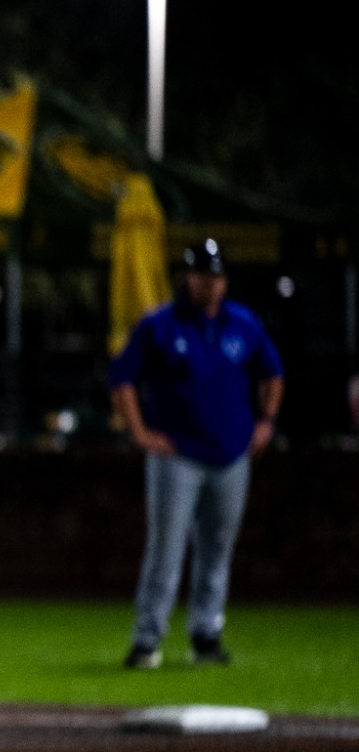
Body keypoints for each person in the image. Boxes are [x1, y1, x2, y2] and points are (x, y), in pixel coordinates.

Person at [109, 238, 284, 668]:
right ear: (187, 277)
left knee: (217, 548)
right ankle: (147, 639)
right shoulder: (161, 325)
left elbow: (273, 373)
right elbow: (121, 378)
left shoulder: (243, 323)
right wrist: (140, 433)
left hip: (231, 454)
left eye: (217, 276)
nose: (210, 284)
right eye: (203, 275)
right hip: (178, 454)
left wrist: (266, 421)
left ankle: (207, 634)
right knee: (166, 549)